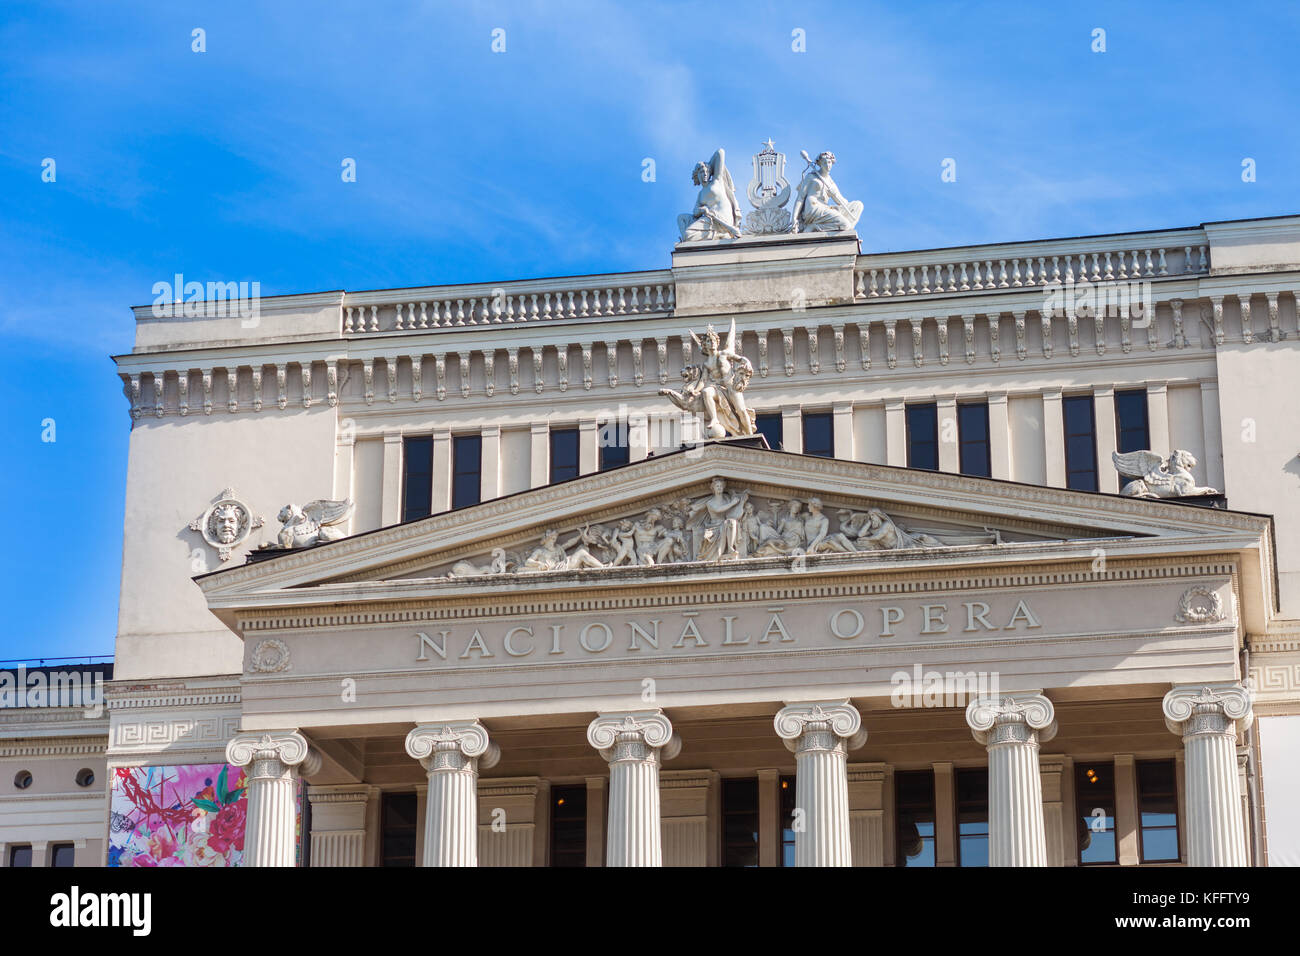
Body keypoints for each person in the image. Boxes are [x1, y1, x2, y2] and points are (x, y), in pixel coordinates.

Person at [793, 151, 863, 234]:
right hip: (814, 208)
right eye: (824, 163)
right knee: (845, 225)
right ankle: (813, 226)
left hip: (825, 208)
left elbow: (842, 201)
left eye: (829, 162)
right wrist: (794, 218)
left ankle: (846, 227)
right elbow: (800, 197)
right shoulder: (811, 176)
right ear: (820, 164)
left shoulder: (831, 183)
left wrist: (835, 195)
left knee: (858, 205)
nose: (827, 165)